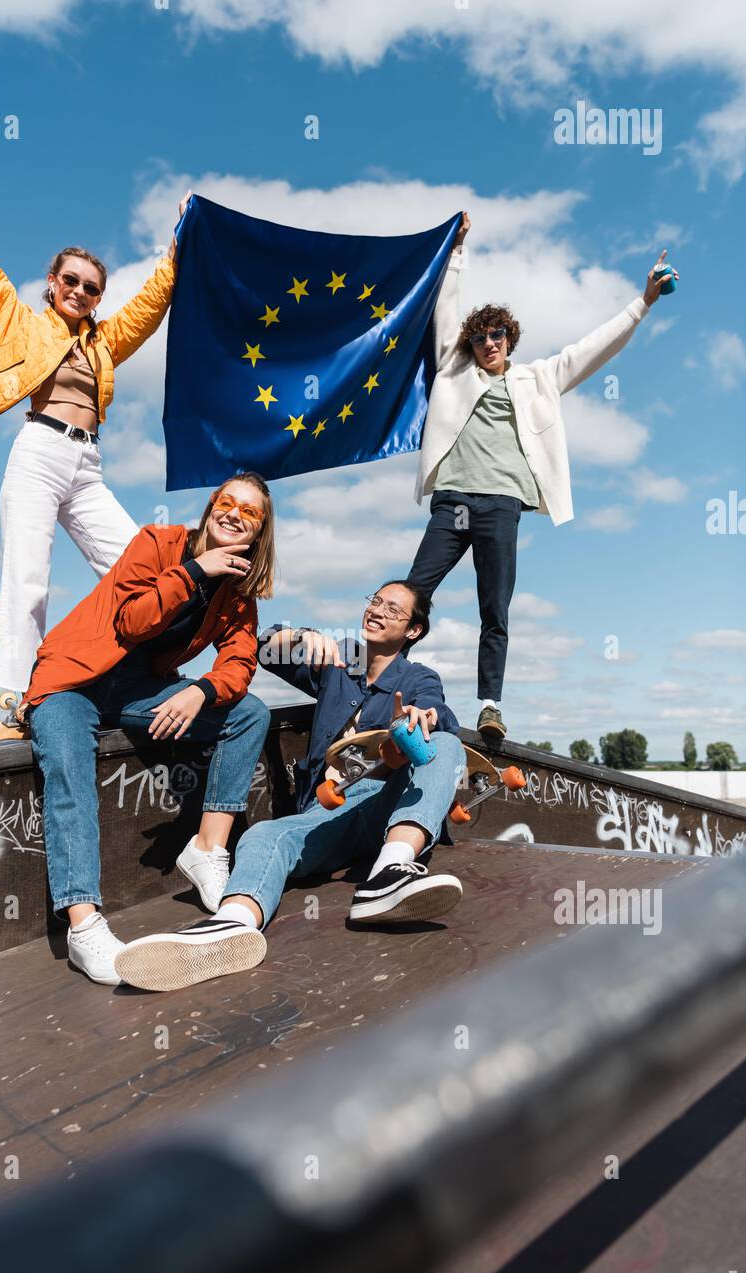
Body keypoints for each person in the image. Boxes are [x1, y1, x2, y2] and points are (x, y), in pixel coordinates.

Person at [0, 120, 189, 698]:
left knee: (138, 567)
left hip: (88, 467)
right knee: (28, 579)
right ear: (52, 281)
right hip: (39, 452)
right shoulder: (15, 322)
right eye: (71, 280)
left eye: (92, 288)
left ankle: (144, 667)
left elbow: (153, 301)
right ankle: (17, 693)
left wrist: (181, 240)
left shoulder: (104, 341)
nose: (81, 292)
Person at [114, 582, 466, 993]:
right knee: (266, 834)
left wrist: (421, 715)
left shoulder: (419, 677)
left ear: (414, 632)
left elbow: (437, 711)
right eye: (375, 601)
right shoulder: (343, 659)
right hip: (329, 811)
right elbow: (265, 650)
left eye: (394, 610)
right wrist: (301, 638)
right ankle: (231, 926)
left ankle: (390, 872)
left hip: (385, 804)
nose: (379, 612)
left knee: (445, 743)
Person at [408, 212, 678, 741]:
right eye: (482, 336)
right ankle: (380, 679)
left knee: (496, 608)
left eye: (499, 334)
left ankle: (489, 705)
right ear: (472, 344)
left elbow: (594, 347)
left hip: (503, 504)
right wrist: (457, 253)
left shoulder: (539, 378)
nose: (490, 342)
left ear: (511, 340)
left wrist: (642, 302)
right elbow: (446, 313)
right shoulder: (453, 371)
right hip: (455, 498)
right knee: (414, 592)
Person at [21, 474, 276, 986]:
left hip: (140, 692)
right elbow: (132, 621)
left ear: (259, 531)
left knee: (251, 713)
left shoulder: (238, 593)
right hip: (72, 681)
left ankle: (206, 849)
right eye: (226, 503)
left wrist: (200, 690)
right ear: (209, 509)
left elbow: (241, 660)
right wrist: (195, 570)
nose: (234, 514)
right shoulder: (157, 544)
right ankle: (84, 927)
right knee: (69, 770)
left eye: (248, 512)